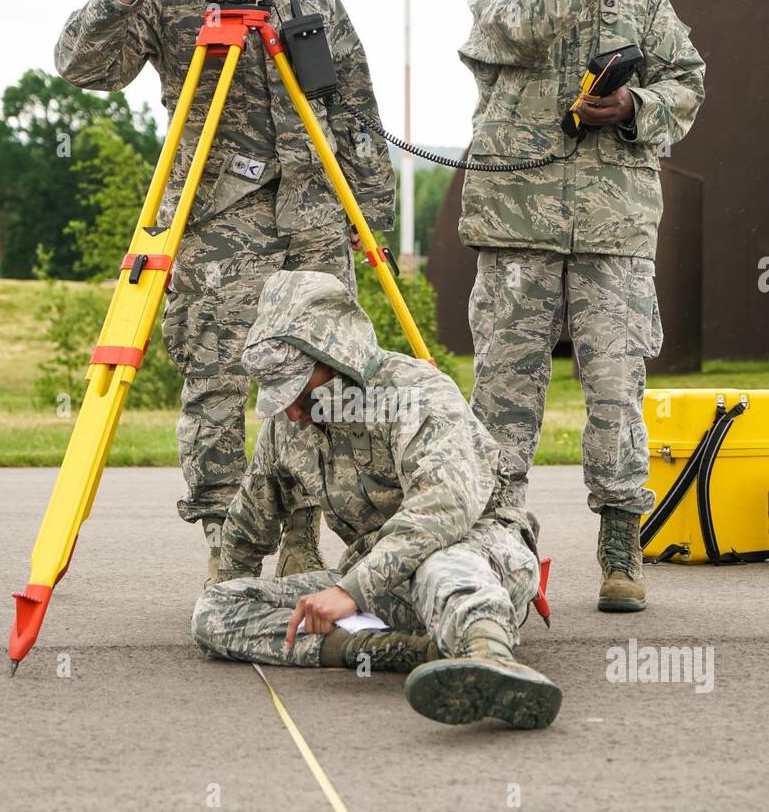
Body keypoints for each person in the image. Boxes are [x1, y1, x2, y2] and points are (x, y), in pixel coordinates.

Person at [54, 0, 394, 586]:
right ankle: (225, 536)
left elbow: (356, 107)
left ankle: (304, 534)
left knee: (323, 382)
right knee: (215, 379)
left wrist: (376, 219)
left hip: (314, 218)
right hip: (217, 222)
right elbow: (82, 66)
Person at [459, 0, 705, 612]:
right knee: (503, 393)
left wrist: (633, 107)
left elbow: (688, 79)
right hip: (517, 219)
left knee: (616, 387)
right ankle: (498, 537)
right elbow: (516, 30)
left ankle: (621, 542)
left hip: (613, 222)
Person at [191, 270, 562, 732]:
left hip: (476, 554)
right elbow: (249, 526)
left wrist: (350, 592)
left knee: (444, 565)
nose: (292, 411)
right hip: (375, 588)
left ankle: (490, 659)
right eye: (280, 396)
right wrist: (237, 593)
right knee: (214, 609)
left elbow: (441, 510)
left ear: (337, 358)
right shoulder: (289, 426)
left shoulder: (417, 395)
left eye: (300, 390)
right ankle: (394, 652)